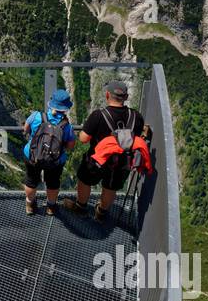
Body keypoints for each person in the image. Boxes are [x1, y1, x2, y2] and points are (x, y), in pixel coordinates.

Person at [63, 81, 148, 223]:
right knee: (111, 186)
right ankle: (101, 213)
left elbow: (83, 138)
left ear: (107, 95)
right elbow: (136, 137)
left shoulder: (98, 116)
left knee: (85, 180)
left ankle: (81, 207)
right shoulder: (136, 117)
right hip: (122, 161)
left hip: (97, 160)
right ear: (126, 97)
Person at [22, 88, 76, 215]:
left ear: (51, 103)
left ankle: (30, 204)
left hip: (32, 155)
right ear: (65, 108)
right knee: (53, 182)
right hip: (55, 160)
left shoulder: (36, 116)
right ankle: (51, 207)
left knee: (31, 180)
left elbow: (26, 129)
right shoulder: (67, 126)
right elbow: (70, 145)